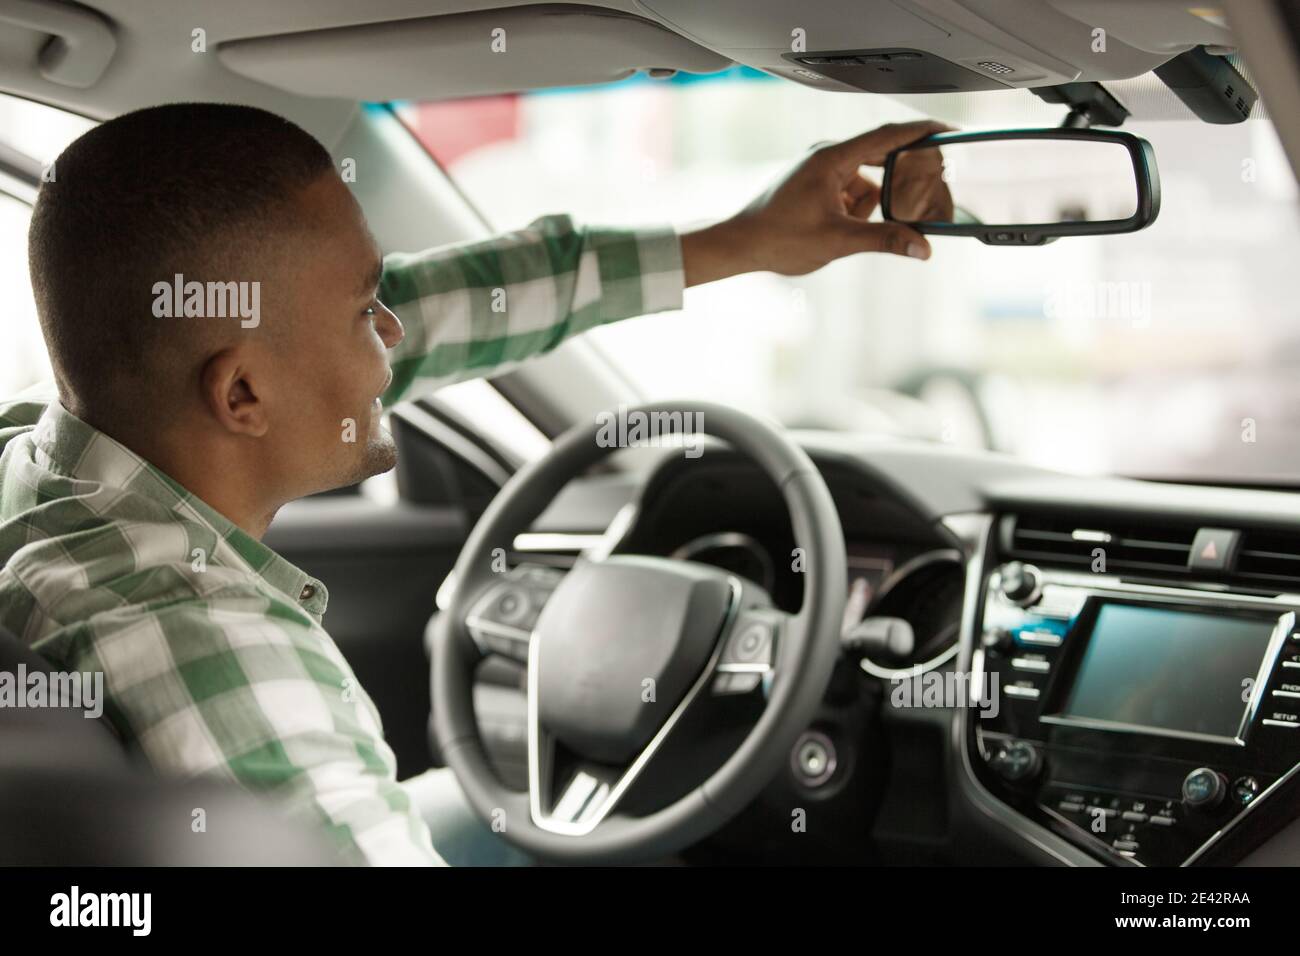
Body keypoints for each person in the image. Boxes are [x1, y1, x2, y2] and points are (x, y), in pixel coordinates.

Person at [0, 102, 946, 865]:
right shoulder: (213, 647)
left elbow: (448, 308)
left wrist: (745, 239)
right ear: (244, 391)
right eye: (367, 309)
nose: (397, 335)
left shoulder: (45, 453)